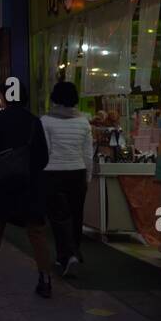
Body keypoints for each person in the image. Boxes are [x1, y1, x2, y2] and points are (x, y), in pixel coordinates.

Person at [0, 82, 54, 298]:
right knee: (36, 231)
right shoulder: (34, 122)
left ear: (6, 97)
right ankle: (45, 278)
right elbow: (43, 157)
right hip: (30, 184)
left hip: (3, 182)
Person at [41, 81, 93, 277]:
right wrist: (88, 175)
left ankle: (67, 255)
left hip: (53, 172)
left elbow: (45, 151)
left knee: (58, 217)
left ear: (54, 97)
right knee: (75, 215)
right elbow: (88, 153)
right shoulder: (83, 121)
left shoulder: (45, 121)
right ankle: (72, 254)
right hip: (77, 172)